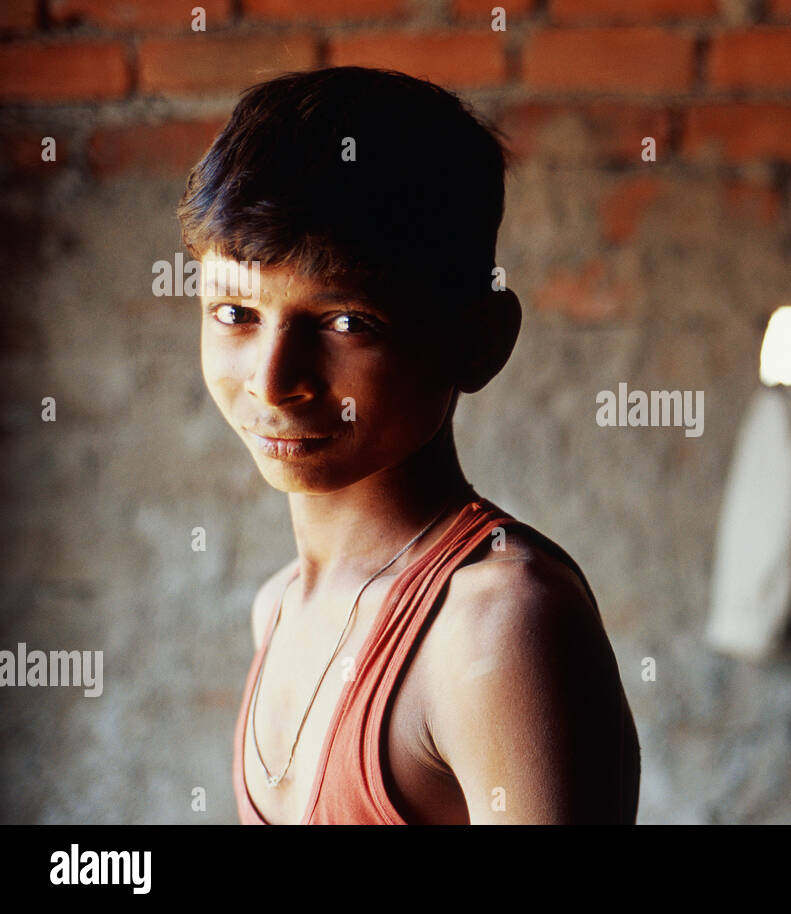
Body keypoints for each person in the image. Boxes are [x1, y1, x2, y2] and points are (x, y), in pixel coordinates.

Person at [176, 66, 640, 824]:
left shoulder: (499, 624)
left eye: (347, 323)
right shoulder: (280, 607)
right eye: (234, 313)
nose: (273, 381)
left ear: (480, 343)